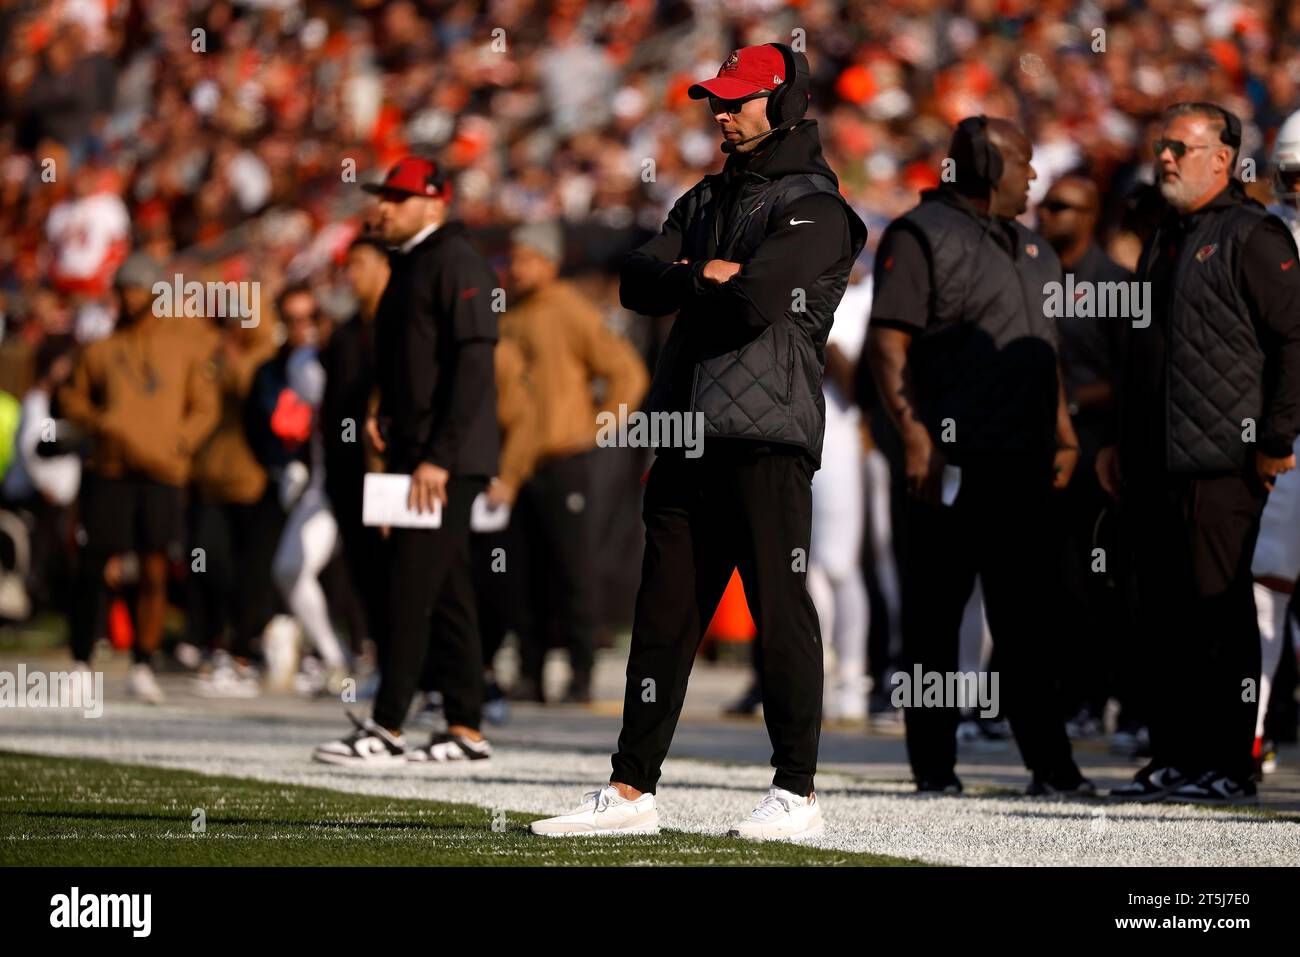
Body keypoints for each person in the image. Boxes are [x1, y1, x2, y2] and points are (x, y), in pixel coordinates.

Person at [532, 43, 867, 839]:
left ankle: (797, 794)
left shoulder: (819, 208)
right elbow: (635, 280)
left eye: (739, 99)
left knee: (780, 607)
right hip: (687, 427)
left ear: (783, 102)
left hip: (767, 433)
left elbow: (753, 302)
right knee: (662, 616)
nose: (721, 111)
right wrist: (697, 274)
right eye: (716, 98)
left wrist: (703, 274)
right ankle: (631, 789)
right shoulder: (706, 195)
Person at [864, 116, 1092, 796]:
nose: (1034, 179)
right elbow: (889, 342)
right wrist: (914, 436)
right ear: (991, 169)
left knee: (1028, 620)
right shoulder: (919, 234)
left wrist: (1064, 429)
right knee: (935, 618)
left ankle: (1050, 765)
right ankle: (933, 766)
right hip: (949, 460)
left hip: (1021, 459)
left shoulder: (1034, 248)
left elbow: (1043, 348)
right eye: (1024, 165)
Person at [1103, 103, 1300, 804]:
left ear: (1223, 157)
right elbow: (1141, 353)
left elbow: (1293, 341)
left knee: (1220, 616)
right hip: (1156, 461)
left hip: (1225, 462)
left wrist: (1275, 440)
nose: (1163, 157)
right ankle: (1178, 754)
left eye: (1178, 147)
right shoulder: (1164, 236)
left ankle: (1229, 760)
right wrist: (1116, 443)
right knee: (1160, 615)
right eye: (1160, 145)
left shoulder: (1254, 233)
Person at [314, 156, 500, 766]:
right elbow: (414, 361)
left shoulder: (455, 259)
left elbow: (474, 363)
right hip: (418, 451)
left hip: (444, 459)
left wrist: (440, 458)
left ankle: (388, 724)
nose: (383, 207)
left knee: (408, 586)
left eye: (397, 196)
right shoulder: (411, 262)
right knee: (445, 591)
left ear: (435, 202)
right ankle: (465, 726)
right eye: (382, 196)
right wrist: (384, 407)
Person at [60, 251, 221, 702]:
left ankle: (144, 662)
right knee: (94, 566)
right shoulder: (101, 350)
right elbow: (71, 400)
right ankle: (80, 660)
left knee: (155, 567)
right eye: (123, 290)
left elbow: (205, 405)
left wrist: (181, 442)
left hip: (163, 473)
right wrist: (102, 421)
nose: (128, 299)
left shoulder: (183, 346)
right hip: (110, 471)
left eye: (136, 290)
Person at [500, 220, 648, 704]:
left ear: (549, 261)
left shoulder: (570, 310)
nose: (516, 267)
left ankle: (581, 672)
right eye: (513, 258)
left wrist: (599, 427)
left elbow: (627, 371)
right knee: (523, 572)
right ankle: (530, 670)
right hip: (519, 465)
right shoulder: (511, 314)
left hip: (566, 459)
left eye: (525, 258)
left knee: (572, 568)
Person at [1035, 174, 1134, 741]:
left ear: (1091, 213)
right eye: (1044, 205)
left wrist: (1065, 403)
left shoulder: (1117, 285)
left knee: (1094, 581)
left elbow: (1131, 378)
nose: (1045, 214)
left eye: (1060, 207)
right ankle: (1061, 698)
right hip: (1039, 453)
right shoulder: (1033, 273)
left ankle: (1102, 699)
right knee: (1046, 584)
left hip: (1096, 455)